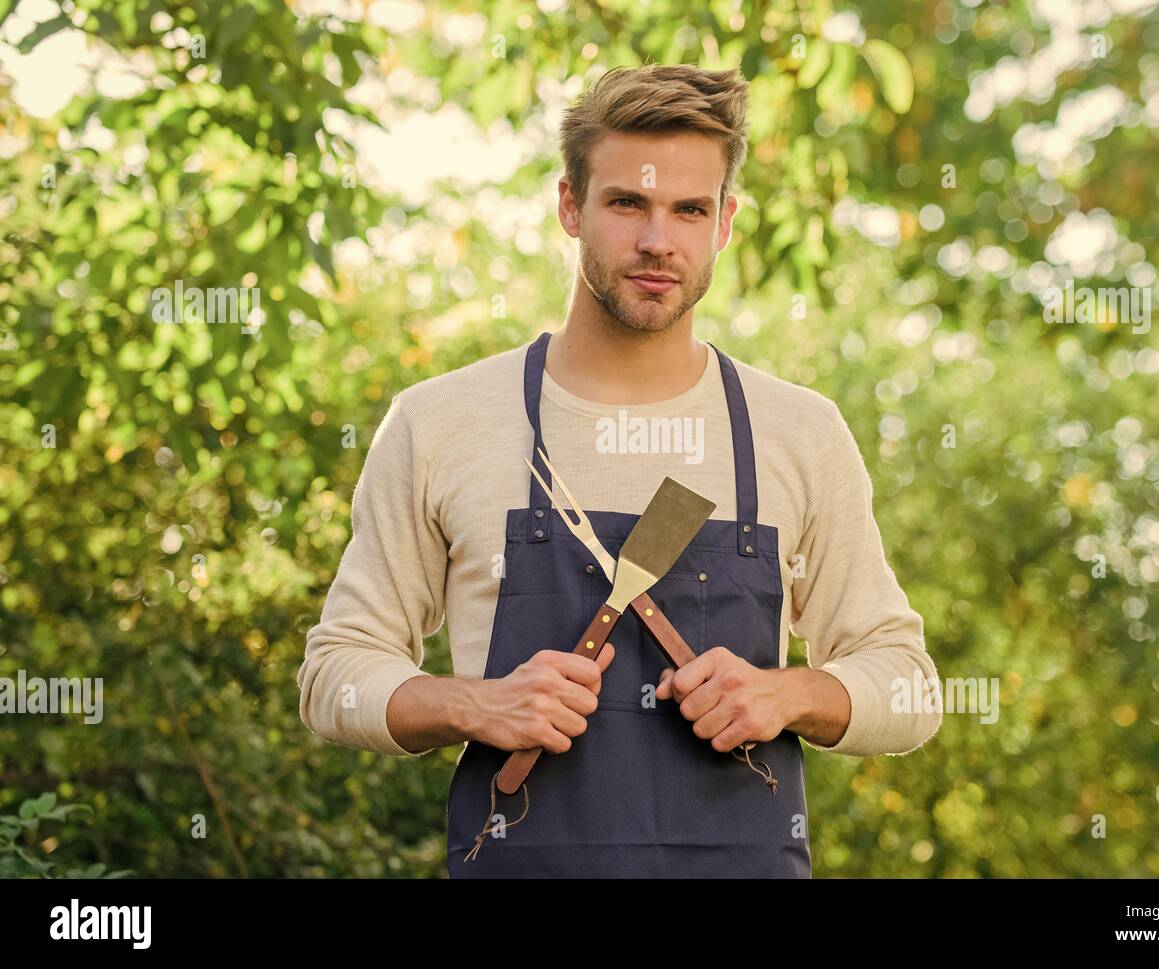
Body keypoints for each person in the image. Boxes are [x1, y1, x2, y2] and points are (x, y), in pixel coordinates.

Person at [297, 64, 941, 878]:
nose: (657, 241)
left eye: (688, 210)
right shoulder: (442, 422)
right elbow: (334, 677)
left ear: (726, 223)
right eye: (626, 203)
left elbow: (912, 688)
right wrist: (477, 702)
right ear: (569, 206)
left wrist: (789, 694)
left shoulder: (798, 431)